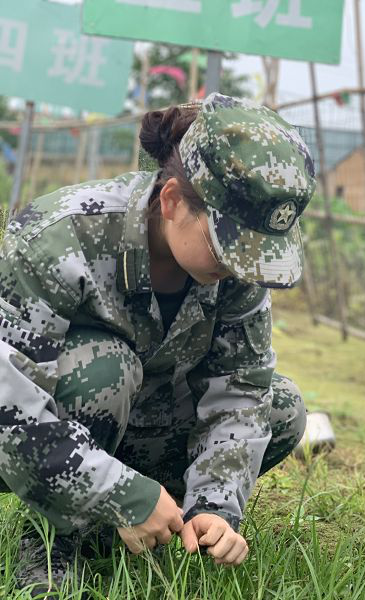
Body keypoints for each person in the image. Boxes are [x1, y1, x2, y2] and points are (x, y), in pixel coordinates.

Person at [0, 93, 313, 592]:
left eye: (257, 253)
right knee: (106, 368)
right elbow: (9, 409)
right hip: (37, 433)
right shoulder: (59, 238)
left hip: (144, 425)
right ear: (170, 201)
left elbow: (240, 388)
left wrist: (214, 504)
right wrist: (120, 493)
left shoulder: (238, 272)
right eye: (228, 246)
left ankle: (161, 520)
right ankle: (53, 541)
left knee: (281, 406)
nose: (240, 268)